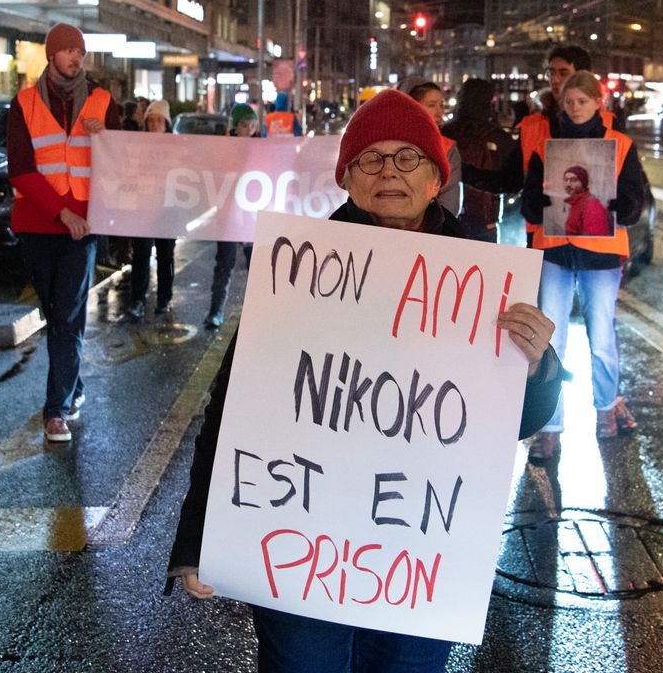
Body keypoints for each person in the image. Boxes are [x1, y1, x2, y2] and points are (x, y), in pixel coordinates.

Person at [167, 88, 562, 673]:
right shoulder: (298, 271)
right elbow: (230, 408)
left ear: (435, 177)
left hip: (418, 556)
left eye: (407, 158)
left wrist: (536, 365)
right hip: (301, 546)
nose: (389, 172)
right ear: (346, 179)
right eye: (370, 159)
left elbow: (519, 422)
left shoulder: (483, 277)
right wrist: (201, 536)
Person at [521, 70, 646, 459]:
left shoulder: (620, 146)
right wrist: (544, 203)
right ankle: (550, 428)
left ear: (598, 103)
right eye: (569, 102)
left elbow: (635, 204)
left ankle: (606, 411)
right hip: (556, 252)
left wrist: (613, 204)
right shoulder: (546, 146)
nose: (575, 109)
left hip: (601, 255)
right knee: (550, 341)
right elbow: (528, 203)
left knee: (602, 338)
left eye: (582, 102)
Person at [7, 23, 121, 443]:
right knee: (56, 315)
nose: (76, 57)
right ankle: (72, 386)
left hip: (83, 228)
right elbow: (20, 169)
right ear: (51, 54)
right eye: (68, 50)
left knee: (68, 316)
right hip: (37, 225)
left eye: (81, 51)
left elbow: (126, 159)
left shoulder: (103, 101)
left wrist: (107, 136)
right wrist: (60, 213)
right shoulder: (23, 103)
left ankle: (55, 411)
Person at [516, 46, 608, 247]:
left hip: (594, 239)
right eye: (551, 72)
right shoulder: (531, 126)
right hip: (542, 236)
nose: (555, 80)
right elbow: (512, 176)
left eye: (563, 73)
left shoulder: (609, 125)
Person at [439, 78, 523, 242]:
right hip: (485, 219)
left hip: (447, 217)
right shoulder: (500, 138)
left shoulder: (444, 133)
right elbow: (513, 182)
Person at [204, 103, 261, 330]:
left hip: (253, 217)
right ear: (235, 127)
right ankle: (216, 312)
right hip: (229, 216)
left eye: (252, 123)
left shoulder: (265, 148)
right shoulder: (225, 149)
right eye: (244, 124)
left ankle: (259, 315)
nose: (249, 128)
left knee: (256, 268)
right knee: (224, 264)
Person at [127, 100, 178, 321]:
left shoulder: (178, 147)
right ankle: (138, 299)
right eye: (151, 120)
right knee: (141, 255)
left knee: (165, 256)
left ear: (166, 124)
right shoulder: (136, 145)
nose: (155, 124)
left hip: (168, 211)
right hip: (144, 210)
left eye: (160, 120)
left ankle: (164, 298)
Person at [400, 77, 461, 216]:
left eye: (441, 105)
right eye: (432, 105)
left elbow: (450, 201)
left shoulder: (447, 148)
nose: (439, 112)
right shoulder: (390, 142)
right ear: (412, 106)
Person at [561, 165, 611, 237]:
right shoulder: (576, 202)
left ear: (583, 183)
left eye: (574, 180)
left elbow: (593, 240)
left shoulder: (592, 206)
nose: (568, 184)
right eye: (566, 180)